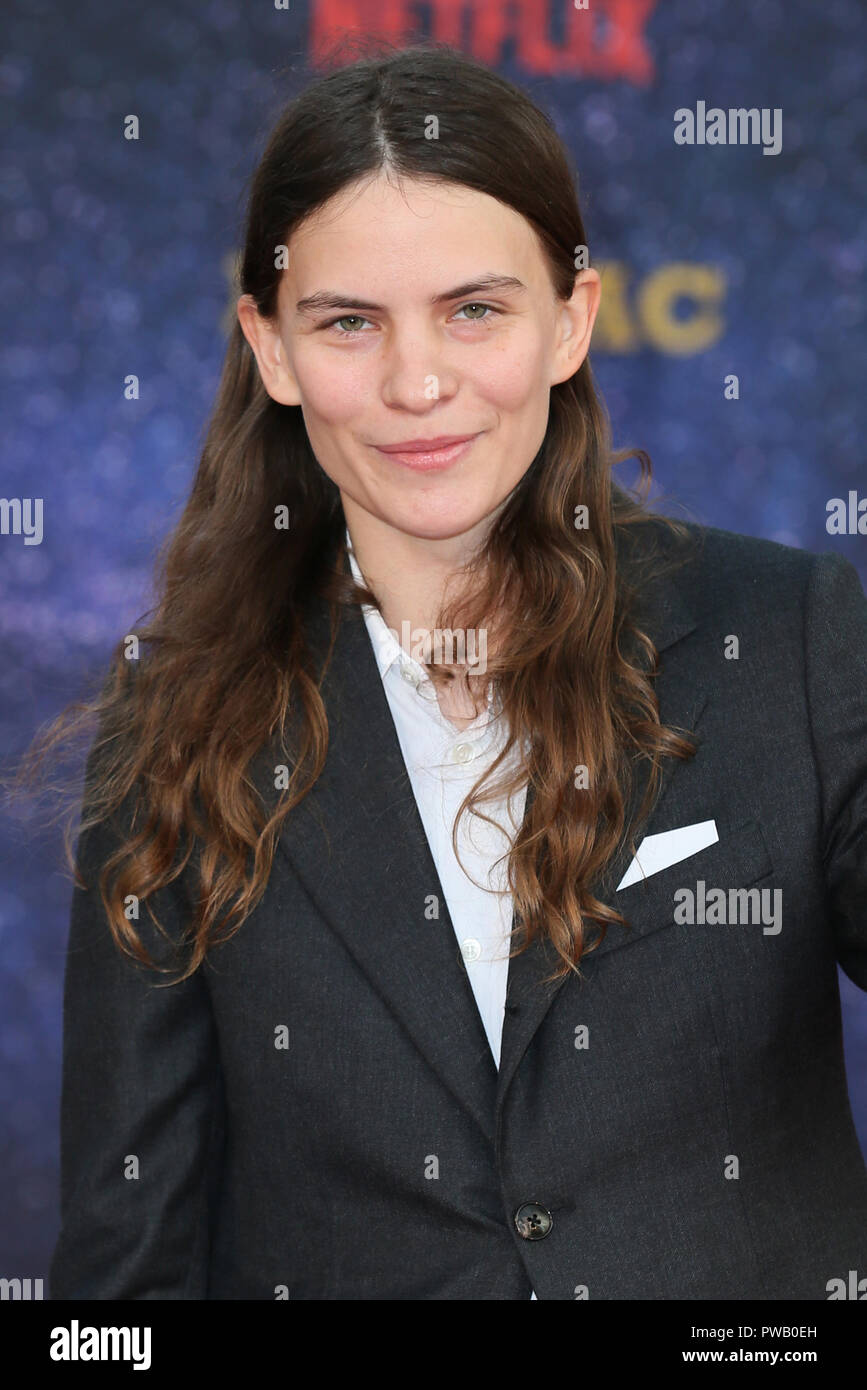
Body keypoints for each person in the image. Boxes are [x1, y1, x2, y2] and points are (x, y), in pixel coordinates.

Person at [39, 42, 866, 1300]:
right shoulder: (176, 717)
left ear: (571, 319)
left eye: (474, 309)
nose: (418, 383)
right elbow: (124, 1268)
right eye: (349, 323)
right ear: (270, 348)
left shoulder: (792, 633)